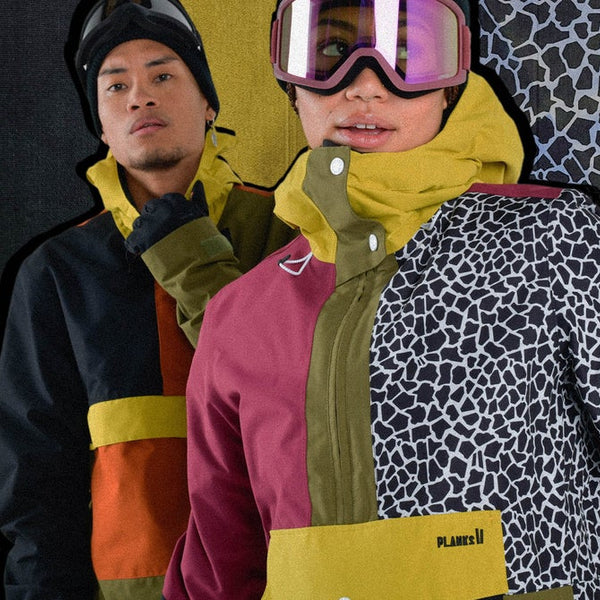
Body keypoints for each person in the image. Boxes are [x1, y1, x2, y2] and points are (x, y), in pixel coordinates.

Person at [159, 0, 599, 598]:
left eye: (408, 55)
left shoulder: (555, 241)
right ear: (291, 85)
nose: (365, 84)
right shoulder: (241, 313)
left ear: (452, 82)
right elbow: (219, 566)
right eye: (330, 52)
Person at [0, 0, 293, 598]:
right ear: (101, 127)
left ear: (209, 103)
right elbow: (34, 491)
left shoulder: (288, 234)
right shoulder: (55, 273)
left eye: (163, 75)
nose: (140, 97)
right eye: (116, 86)